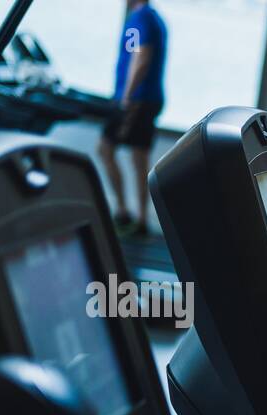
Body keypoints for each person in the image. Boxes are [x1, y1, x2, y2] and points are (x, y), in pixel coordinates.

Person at [98, 1, 167, 238]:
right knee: (139, 158)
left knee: (105, 149)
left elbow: (142, 56)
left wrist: (127, 95)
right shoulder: (152, 18)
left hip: (137, 99)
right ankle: (139, 218)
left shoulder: (141, 18)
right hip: (147, 98)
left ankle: (124, 212)